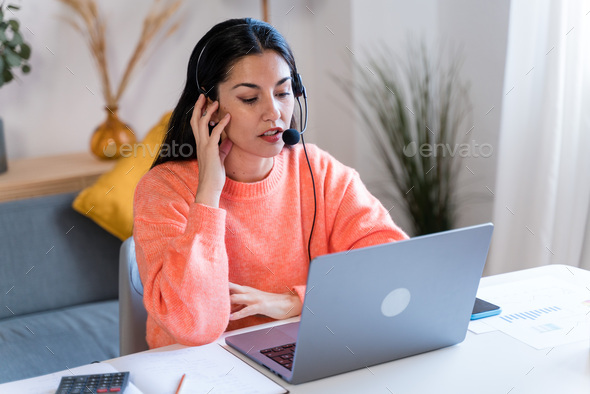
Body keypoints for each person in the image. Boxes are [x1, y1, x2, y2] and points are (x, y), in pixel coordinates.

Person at [133, 17, 408, 349]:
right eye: (251, 98)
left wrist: (297, 302)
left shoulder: (319, 172)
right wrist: (207, 195)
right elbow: (194, 326)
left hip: (302, 355)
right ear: (210, 108)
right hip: (201, 371)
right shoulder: (163, 190)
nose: (275, 112)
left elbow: (395, 270)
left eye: (283, 91)